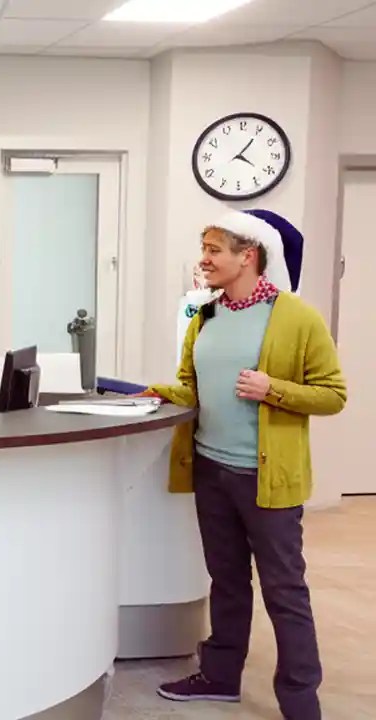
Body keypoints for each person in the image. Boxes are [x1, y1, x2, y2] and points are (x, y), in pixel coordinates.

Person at [146, 210, 345, 720]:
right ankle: (220, 676)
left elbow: (332, 395)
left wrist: (271, 388)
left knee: (284, 590)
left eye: (214, 249)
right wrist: (154, 393)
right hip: (211, 469)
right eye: (204, 248)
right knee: (226, 579)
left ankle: (301, 701)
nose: (204, 259)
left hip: (267, 480)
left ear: (247, 256)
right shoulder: (205, 316)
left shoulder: (296, 316)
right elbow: (191, 386)